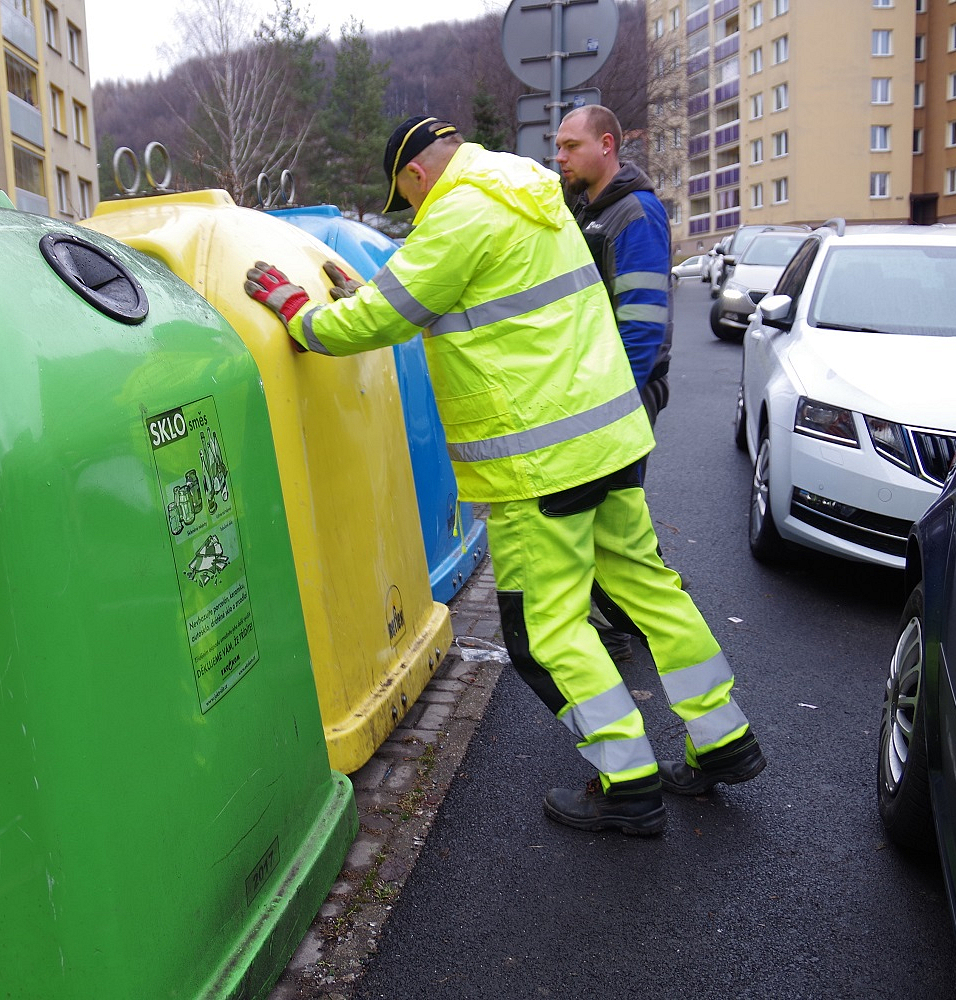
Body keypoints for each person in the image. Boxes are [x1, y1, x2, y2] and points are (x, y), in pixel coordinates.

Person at [243, 115, 764, 837]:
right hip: (607, 438)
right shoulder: (526, 184)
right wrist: (380, 287)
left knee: (545, 633)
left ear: (417, 175)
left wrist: (302, 316)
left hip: (538, 462)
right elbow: (465, 297)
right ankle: (724, 739)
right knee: (650, 591)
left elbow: (384, 319)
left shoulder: (456, 212)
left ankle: (629, 784)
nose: (413, 215)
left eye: (407, 201)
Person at [555, 104, 675, 665]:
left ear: (607, 145)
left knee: (614, 520)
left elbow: (643, 326)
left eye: (570, 146)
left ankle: (633, 627)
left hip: (622, 396)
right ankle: (632, 620)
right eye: (557, 146)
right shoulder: (591, 209)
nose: (560, 157)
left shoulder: (634, 214)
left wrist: (613, 406)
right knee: (610, 517)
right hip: (601, 395)